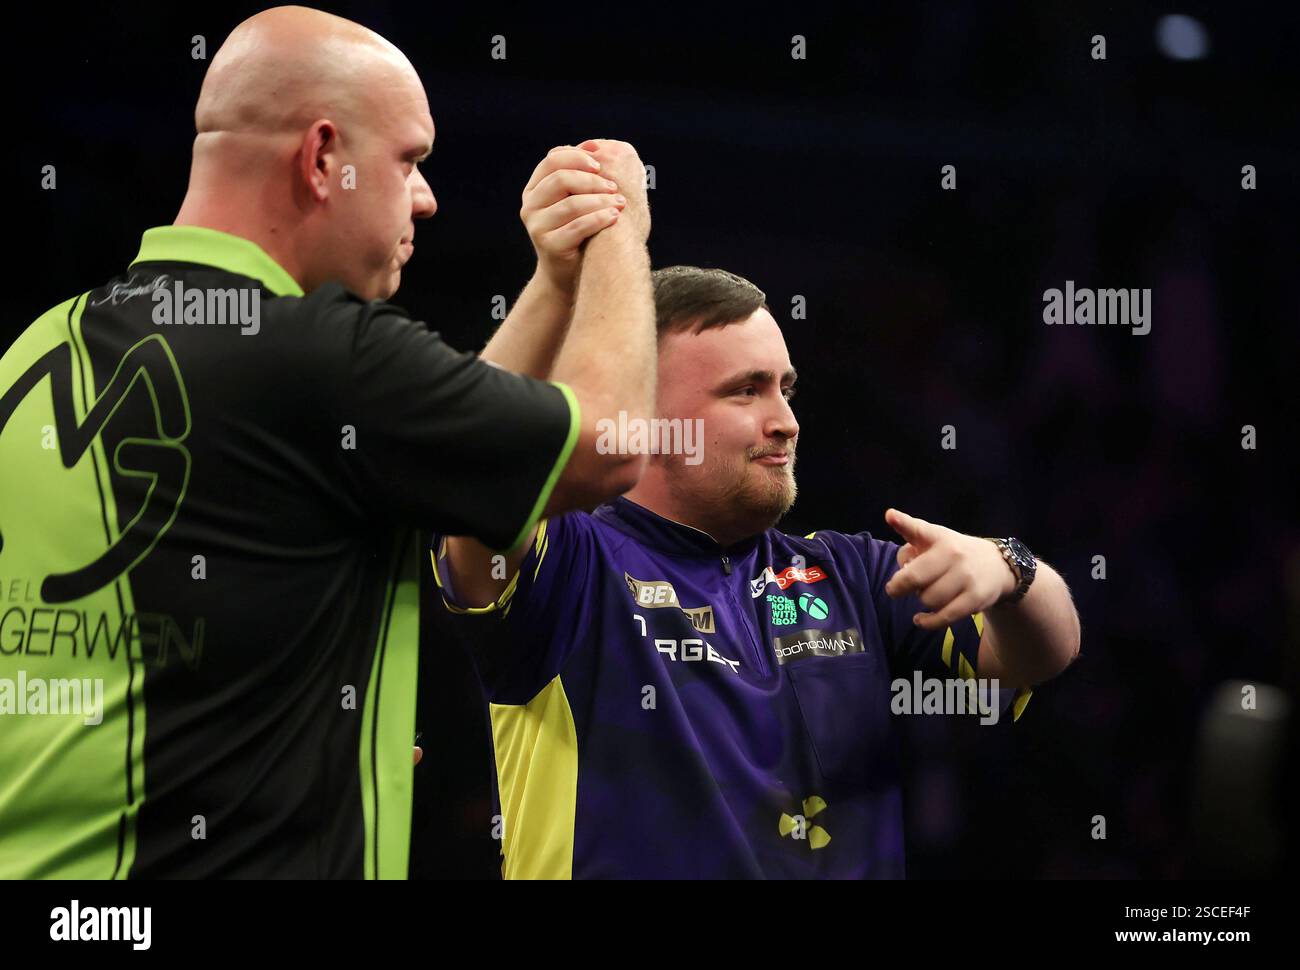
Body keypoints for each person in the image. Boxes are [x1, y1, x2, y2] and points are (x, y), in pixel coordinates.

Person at [0, 5, 654, 878]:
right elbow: (608, 445)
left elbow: (446, 449)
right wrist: (620, 234)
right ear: (321, 160)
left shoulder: (39, 348)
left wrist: (552, 282)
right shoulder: (317, 352)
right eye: (410, 160)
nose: (426, 196)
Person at [434, 265, 1082, 878]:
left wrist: (1010, 569)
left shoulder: (850, 574)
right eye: (746, 391)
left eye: (785, 388)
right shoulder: (568, 565)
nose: (787, 422)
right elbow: (478, 471)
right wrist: (579, 265)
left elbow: (1043, 653)